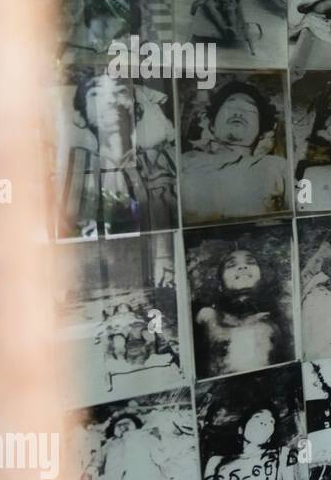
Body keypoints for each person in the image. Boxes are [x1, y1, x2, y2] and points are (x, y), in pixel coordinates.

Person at [57, 71, 179, 238]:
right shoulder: (74, 171)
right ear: (79, 117)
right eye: (96, 93)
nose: (110, 100)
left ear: (137, 110)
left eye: (120, 91)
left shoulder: (165, 163)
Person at [179, 79, 288, 223]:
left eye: (249, 109)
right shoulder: (183, 162)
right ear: (212, 125)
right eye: (229, 107)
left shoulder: (276, 167)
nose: (238, 113)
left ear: (262, 131)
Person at [194, 247, 290, 377]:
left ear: (263, 276)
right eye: (231, 265)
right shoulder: (208, 315)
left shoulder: (281, 317)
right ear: (219, 284)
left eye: (250, 262)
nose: (243, 267)